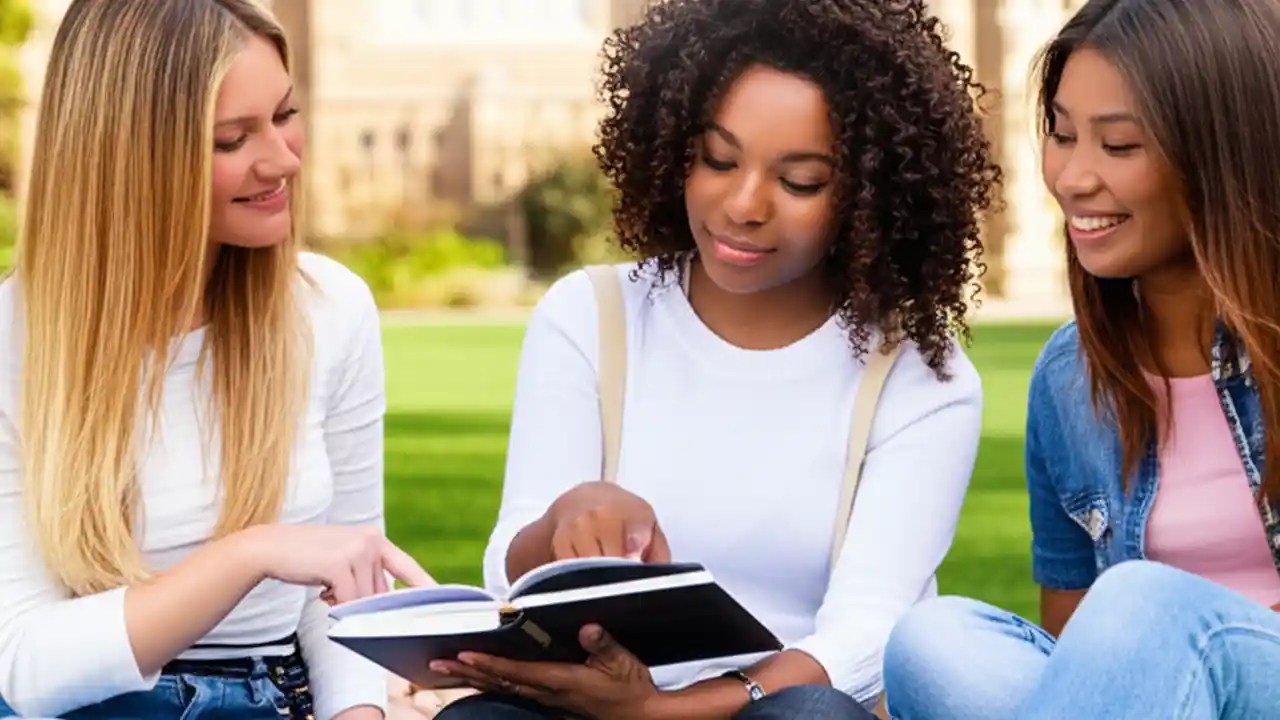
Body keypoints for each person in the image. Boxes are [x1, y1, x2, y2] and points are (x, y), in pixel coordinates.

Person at [429, 0, 999, 718]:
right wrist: (562, 522)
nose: (743, 204)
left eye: (799, 182)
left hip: (777, 703)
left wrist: (666, 709)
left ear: (872, 195)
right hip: (593, 697)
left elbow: (868, 632)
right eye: (718, 159)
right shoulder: (590, 314)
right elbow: (508, 573)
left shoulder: (917, 375)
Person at [0, 1, 433, 718]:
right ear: (127, 158)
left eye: (286, 114)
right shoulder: (15, 338)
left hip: (276, 698)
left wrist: (361, 711)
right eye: (232, 139)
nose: (284, 159)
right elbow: (23, 667)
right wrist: (250, 554)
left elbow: (348, 603)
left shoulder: (330, 308)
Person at [881, 0, 1280, 717]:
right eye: (1062, 135)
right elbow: (1074, 658)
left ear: (1226, 152)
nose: (1071, 178)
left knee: (1141, 601)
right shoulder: (1071, 381)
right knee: (934, 641)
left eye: (1119, 145)